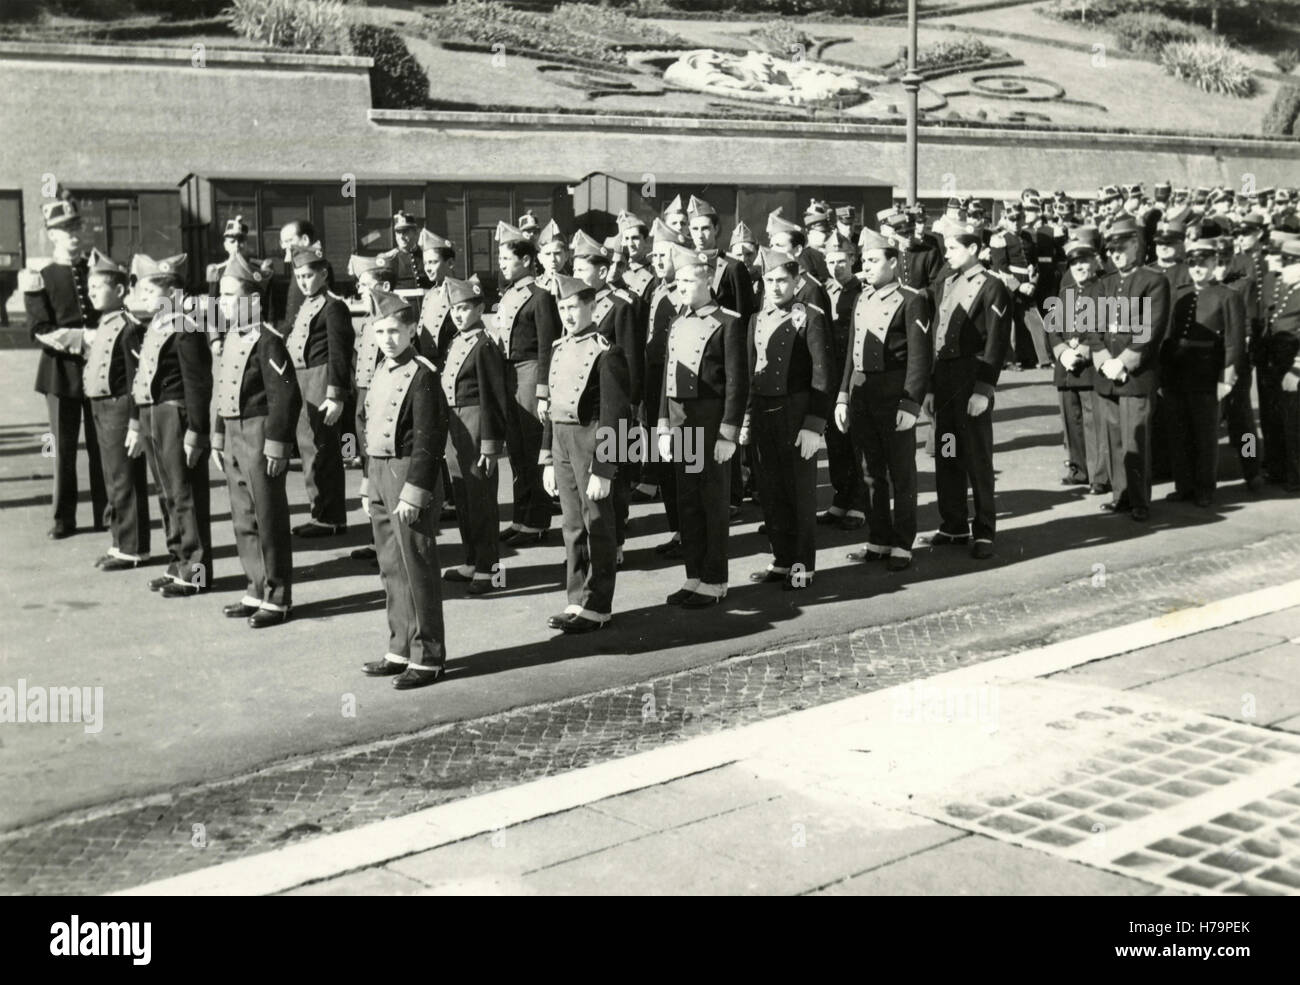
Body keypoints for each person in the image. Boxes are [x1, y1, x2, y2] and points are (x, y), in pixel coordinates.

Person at [358, 289, 451, 690]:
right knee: (391, 568)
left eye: (395, 331)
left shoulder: (424, 374)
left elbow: (430, 436)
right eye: (380, 331)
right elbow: (368, 428)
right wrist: (366, 479)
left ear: (412, 329)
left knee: (418, 567)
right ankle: (400, 647)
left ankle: (428, 656)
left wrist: (415, 490)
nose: (387, 339)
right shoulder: (381, 369)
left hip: (406, 474)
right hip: (379, 473)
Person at [210, 252, 300, 628]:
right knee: (243, 516)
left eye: (232, 296)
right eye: (222, 296)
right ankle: (255, 586)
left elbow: (285, 396)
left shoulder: (268, 341)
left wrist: (277, 445)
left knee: (268, 517)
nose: (225, 304)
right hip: (233, 436)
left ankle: (278, 596)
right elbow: (220, 389)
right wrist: (217, 437)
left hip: (259, 435)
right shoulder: (230, 338)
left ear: (254, 299)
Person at [540, 273, 632, 633]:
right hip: (562, 442)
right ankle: (576, 599)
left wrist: (605, 468)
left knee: (599, 525)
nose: (567, 314)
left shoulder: (607, 351)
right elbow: (551, 408)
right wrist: (546, 456)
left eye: (574, 307)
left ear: (592, 307)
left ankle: (598, 605)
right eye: (562, 308)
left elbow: (616, 415)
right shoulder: (558, 348)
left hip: (591, 442)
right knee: (572, 526)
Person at [836, 228, 932, 572]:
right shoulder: (862, 298)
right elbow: (851, 351)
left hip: (895, 397)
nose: (868, 266)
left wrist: (910, 405)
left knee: (901, 472)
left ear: (893, 262)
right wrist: (843, 395)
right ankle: (878, 539)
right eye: (866, 261)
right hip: (862, 394)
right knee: (870, 472)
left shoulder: (912, 299)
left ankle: (902, 543)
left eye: (875, 260)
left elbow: (920, 358)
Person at [657, 249, 747, 607]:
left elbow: (738, 384)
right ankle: (694, 575)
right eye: (678, 282)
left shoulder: (729, 322)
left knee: (712, 502)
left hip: (711, 423)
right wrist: (663, 426)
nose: (682, 288)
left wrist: (728, 433)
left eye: (690, 280)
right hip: (682, 423)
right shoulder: (677, 321)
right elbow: (666, 376)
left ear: (708, 279)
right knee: (688, 502)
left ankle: (715, 579)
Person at [741, 247, 834, 590]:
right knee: (771, 489)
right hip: (765, 412)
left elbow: (823, 375)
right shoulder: (756, 319)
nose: (776, 287)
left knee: (799, 492)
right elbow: (751, 373)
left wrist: (814, 425)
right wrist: (748, 420)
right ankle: (781, 559)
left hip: (796, 412)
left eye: (783, 280)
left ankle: (801, 564)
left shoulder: (811, 315)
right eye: (770, 281)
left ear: (797, 281)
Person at [20, 193, 107, 539]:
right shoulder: (39, 276)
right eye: (63, 228)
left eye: (75, 226)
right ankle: (64, 518)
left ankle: (109, 513)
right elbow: (40, 330)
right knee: (62, 450)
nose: (72, 233)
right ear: (51, 234)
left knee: (103, 446)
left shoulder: (97, 269)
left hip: (98, 371)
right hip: (60, 373)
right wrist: (85, 338)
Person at [926, 224, 1013, 559]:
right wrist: (932, 387)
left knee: (976, 457)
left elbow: (996, 342)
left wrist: (984, 389)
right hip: (946, 382)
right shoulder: (947, 283)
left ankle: (985, 531)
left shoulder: (992, 287)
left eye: (953, 248)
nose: (947, 254)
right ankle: (954, 524)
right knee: (947, 454)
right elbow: (936, 335)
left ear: (974, 249)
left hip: (971, 379)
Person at [128, 252, 213, 597]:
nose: (144, 298)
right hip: (153, 414)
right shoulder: (157, 325)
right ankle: (178, 561)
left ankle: (195, 573)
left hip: (175, 416)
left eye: (151, 292)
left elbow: (198, 383)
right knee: (166, 494)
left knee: (185, 493)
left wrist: (197, 431)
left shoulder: (185, 327)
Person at [1089, 215, 1171, 522]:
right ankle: (1120, 496)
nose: (1116, 254)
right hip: (1106, 374)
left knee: (1135, 439)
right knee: (1113, 439)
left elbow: (1150, 328)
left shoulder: (1153, 281)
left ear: (1137, 245)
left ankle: (1139, 500)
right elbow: (1091, 327)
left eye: (1122, 247)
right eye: (1112, 249)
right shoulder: (1104, 284)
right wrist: (1101, 359)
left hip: (1134, 373)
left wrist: (1123, 361)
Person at [571, 230, 642, 564]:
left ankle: (615, 543)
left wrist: (631, 408)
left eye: (583, 270)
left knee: (614, 476)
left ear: (602, 271)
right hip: (582, 407)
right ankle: (592, 543)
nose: (577, 276)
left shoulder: (621, 306)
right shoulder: (572, 305)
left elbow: (630, 360)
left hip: (613, 405)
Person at [1161, 238, 1246, 508]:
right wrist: (1163, 374)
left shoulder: (1227, 295)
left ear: (1213, 264)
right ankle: (1184, 486)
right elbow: (1168, 335)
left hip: (1206, 373)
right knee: (1179, 433)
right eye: (1194, 264)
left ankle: (1205, 488)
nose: (1198, 269)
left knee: (1205, 434)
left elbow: (1234, 341)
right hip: (1177, 372)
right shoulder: (1179, 294)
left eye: (1204, 263)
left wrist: (1227, 378)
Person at [82, 249, 151, 571]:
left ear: (121, 291)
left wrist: (136, 422)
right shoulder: (105, 323)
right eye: (90, 287)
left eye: (99, 287)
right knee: (111, 478)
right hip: (101, 408)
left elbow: (138, 380)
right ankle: (120, 541)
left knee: (124, 479)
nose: (91, 292)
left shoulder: (128, 326)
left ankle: (133, 548)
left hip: (119, 409)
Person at [440, 276, 508, 595]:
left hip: (476, 424)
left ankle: (491, 571)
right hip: (456, 429)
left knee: (482, 501)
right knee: (464, 498)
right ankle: (472, 561)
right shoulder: (457, 340)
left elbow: (494, 398)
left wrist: (491, 445)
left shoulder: (484, 345)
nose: (458, 314)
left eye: (465, 308)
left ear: (480, 308)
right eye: (454, 308)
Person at [494, 222, 561, 547]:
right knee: (518, 451)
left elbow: (548, 345)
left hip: (532, 373)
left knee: (534, 447)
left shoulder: (541, 296)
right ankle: (521, 518)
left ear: (524, 260)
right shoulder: (509, 295)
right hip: (510, 374)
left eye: (506, 259)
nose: (501, 264)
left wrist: (543, 390)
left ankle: (537, 521)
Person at [285, 243, 353, 538]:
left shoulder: (333, 306)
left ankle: (331, 517)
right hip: (303, 380)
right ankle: (320, 513)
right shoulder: (307, 305)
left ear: (323, 274)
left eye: (308, 276)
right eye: (299, 277)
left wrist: (335, 394)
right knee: (309, 448)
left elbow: (340, 353)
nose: (303, 282)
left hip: (321, 379)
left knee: (323, 449)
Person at [1045, 229, 1109, 493]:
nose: (1080, 267)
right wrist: (1062, 352)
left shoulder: (1104, 288)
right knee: (1071, 422)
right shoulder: (1066, 291)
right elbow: (1052, 327)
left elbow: (1104, 326)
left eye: (1084, 261)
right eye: (1074, 263)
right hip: (1066, 368)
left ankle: (1099, 476)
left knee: (1094, 424)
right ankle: (1078, 469)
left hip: (1090, 365)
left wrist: (1081, 350)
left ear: (1095, 261)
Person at [347, 252, 396, 563]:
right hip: (363, 400)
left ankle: (390, 541)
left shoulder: (391, 323)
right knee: (369, 471)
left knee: (385, 473)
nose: (362, 291)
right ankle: (378, 537)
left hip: (382, 405)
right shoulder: (366, 324)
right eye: (360, 286)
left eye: (367, 285)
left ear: (385, 285)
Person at [642, 218, 687, 556]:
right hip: (655, 379)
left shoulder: (685, 294)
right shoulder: (657, 290)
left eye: (664, 255)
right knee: (666, 461)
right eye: (654, 256)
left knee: (685, 462)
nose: (657, 261)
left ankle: (690, 532)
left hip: (677, 385)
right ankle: (679, 530)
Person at [818, 231, 866, 531]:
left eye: (842, 261)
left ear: (853, 260)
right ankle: (840, 499)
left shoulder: (861, 290)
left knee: (855, 441)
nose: (837, 267)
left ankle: (859, 505)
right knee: (834, 440)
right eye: (831, 261)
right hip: (830, 373)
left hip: (853, 372)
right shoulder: (823, 290)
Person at [390, 210, 431, 292]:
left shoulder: (427, 254)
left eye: (405, 232)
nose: (401, 237)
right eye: (398, 233)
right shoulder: (391, 258)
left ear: (416, 233)